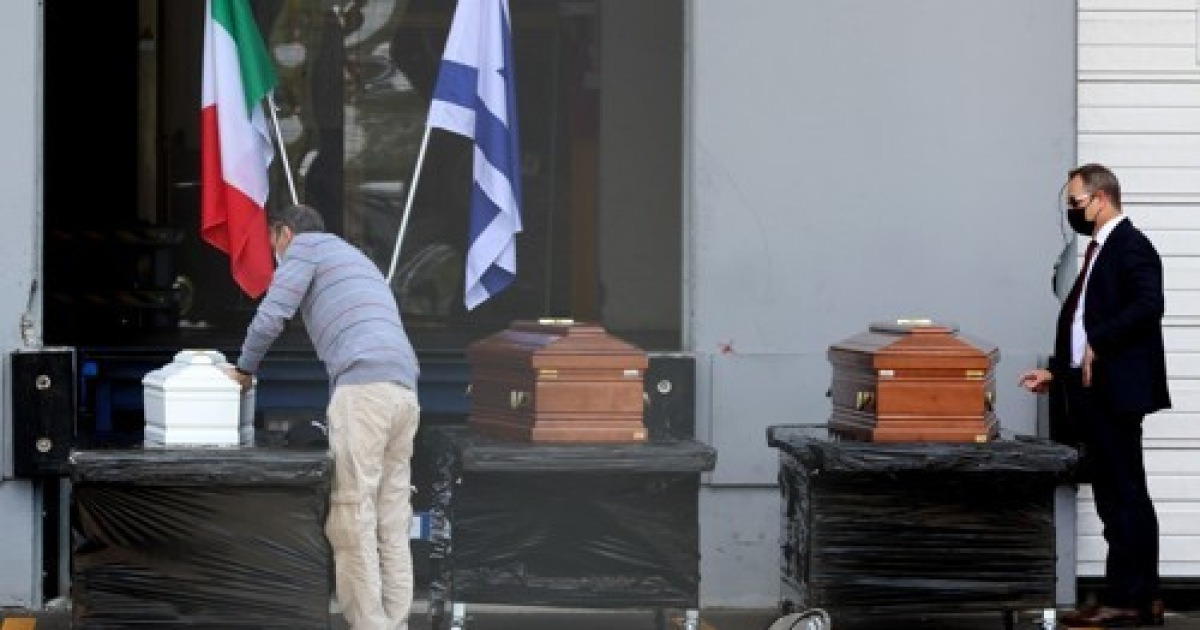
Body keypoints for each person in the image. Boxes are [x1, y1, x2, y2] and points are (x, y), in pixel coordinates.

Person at [228, 203, 421, 630]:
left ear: (283, 234)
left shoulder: (305, 250)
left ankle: (371, 626)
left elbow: (271, 315)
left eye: (272, 243)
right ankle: (396, 621)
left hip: (364, 390)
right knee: (392, 514)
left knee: (353, 513)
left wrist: (244, 369)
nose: (275, 254)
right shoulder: (354, 257)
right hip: (404, 390)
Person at [1019, 163, 1170, 628]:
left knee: (1123, 496)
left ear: (1101, 198)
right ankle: (1139, 596)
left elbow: (1149, 305)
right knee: (1116, 495)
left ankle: (1130, 601)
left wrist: (1100, 342)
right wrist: (1058, 376)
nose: (1073, 212)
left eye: (1076, 203)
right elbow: (1083, 326)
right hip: (1090, 391)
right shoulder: (1099, 252)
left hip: (1115, 395)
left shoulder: (1131, 247)